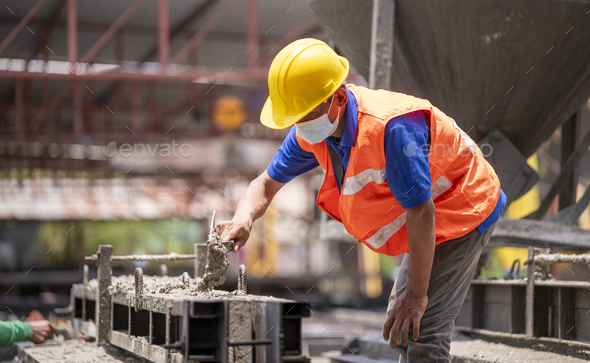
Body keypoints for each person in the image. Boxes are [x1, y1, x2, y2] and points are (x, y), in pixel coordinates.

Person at [216, 38, 506, 362]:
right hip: (428, 215)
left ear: (339, 97)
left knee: (423, 329)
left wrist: (418, 294)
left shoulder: (391, 128)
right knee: (401, 327)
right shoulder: (312, 130)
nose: (300, 126)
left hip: (464, 205)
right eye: (294, 118)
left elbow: (422, 212)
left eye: (306, 114)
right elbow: (265, 184)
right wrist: (243, 218)